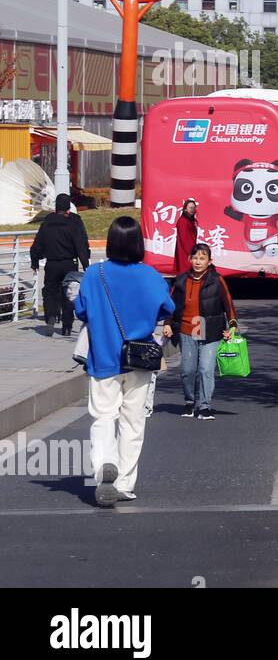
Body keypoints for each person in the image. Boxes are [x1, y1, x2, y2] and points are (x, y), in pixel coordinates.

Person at [74, 216, 175, 507]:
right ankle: (124, 483)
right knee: (134, 421)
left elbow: (81, 310)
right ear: (138, 243)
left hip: (103, 358)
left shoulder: (95, 274)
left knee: (104, 416)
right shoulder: (151, 276)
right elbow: (167, 308)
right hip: (140, 358)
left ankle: (105, 463)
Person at [168, 243, 237, 420]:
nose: (198, 262)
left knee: (206, 369)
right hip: (186, 330)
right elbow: (170, 304)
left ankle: (205, 406)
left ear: (209, 261)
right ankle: (190, 402)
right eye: (195, 258)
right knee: (187, 370)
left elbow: (228, 303)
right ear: (189, 259)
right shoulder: (181, 280)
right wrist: (168, 323)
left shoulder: (217, 279)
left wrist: (232, 325)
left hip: (211, 330)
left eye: (202, 258)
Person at [30, 193, 90, 336]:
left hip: (51, 264)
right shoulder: (75, 221)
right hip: (70, 264)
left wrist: (35, 262)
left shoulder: (47, 221)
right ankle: (67, 326)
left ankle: (50, 316)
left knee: (50, 291)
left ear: (56, 207)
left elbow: (38, 244)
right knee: (68, 294)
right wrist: (86, 264)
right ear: (69, 207)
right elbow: (81, 244)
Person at [174, 198, 199, 275]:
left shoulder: (190, 220)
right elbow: (184, 239)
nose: (192, 210)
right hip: (185, 252)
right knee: (186, 272)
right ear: (185, 209)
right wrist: (191, 252)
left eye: (194, 208)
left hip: (190, 250)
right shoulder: (183, 221)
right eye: (190, 208)